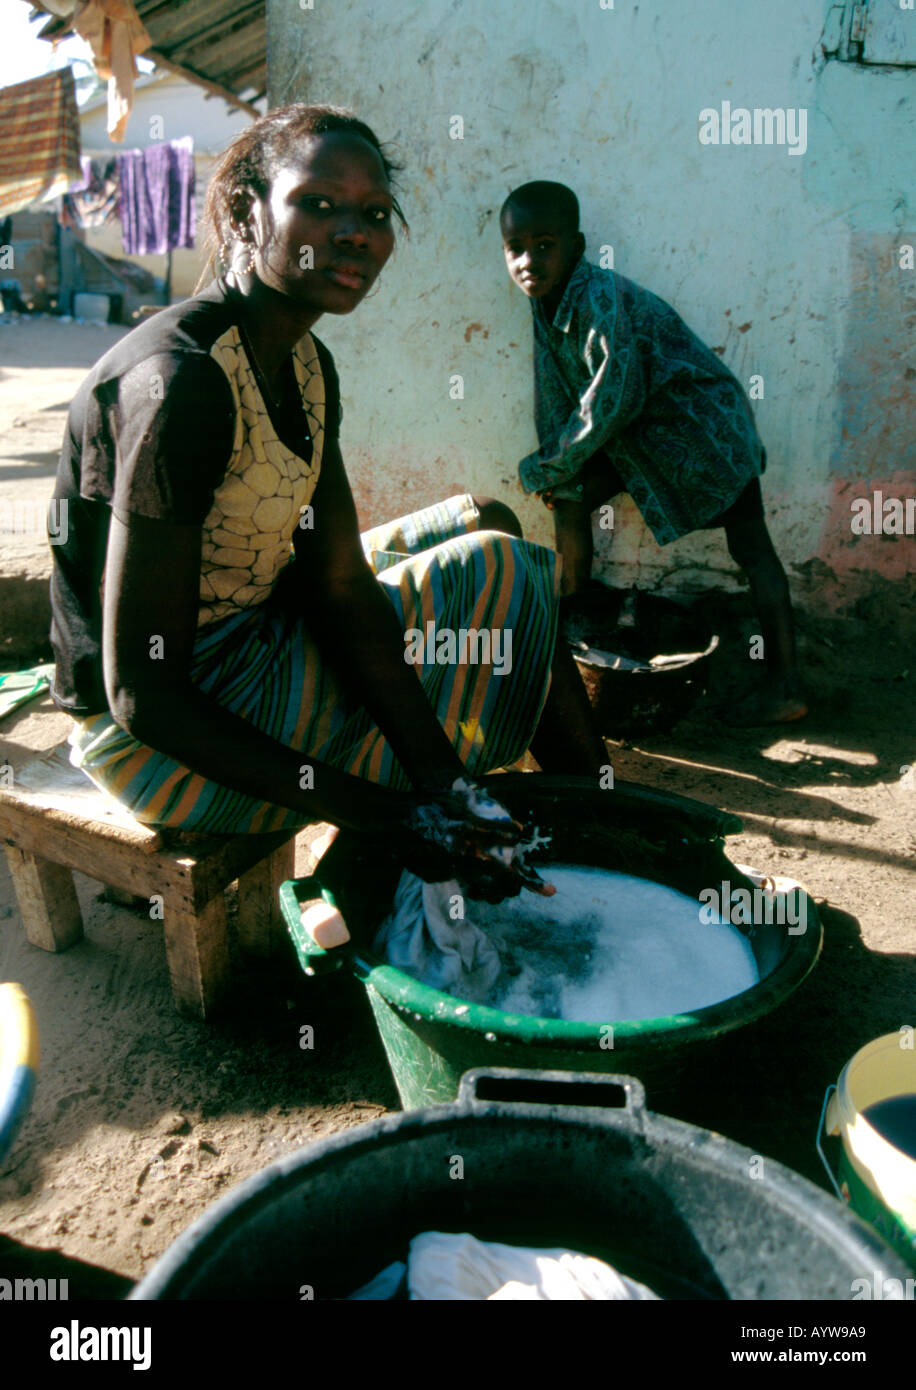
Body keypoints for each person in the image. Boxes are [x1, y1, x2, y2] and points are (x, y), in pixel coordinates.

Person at [47, 107, 608, 903]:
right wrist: (387, 815)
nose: (355, 232)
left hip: (251, 630)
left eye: (374, 214)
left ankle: (561, 812)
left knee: (485, 519)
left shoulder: (305, 363)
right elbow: (144, 691)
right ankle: (600, 828)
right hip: (163, 739)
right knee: (505, 576)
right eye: (318, 203)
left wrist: (442, 785)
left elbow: (338, 585)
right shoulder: (181, 386)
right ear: (249, 212)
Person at [500, 180, 807, 726]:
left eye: (544, 244)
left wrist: (541, 466)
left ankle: (784, 682)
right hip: (645, 439)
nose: (528, 260)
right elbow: (555, 399)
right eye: (515, 247)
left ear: (577, 245)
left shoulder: (599, 299)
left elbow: (612, 400)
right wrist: (555, 466)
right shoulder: (546, 305)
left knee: (753, 549)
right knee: (567, 494)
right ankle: (577, 639)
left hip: (706, 430)